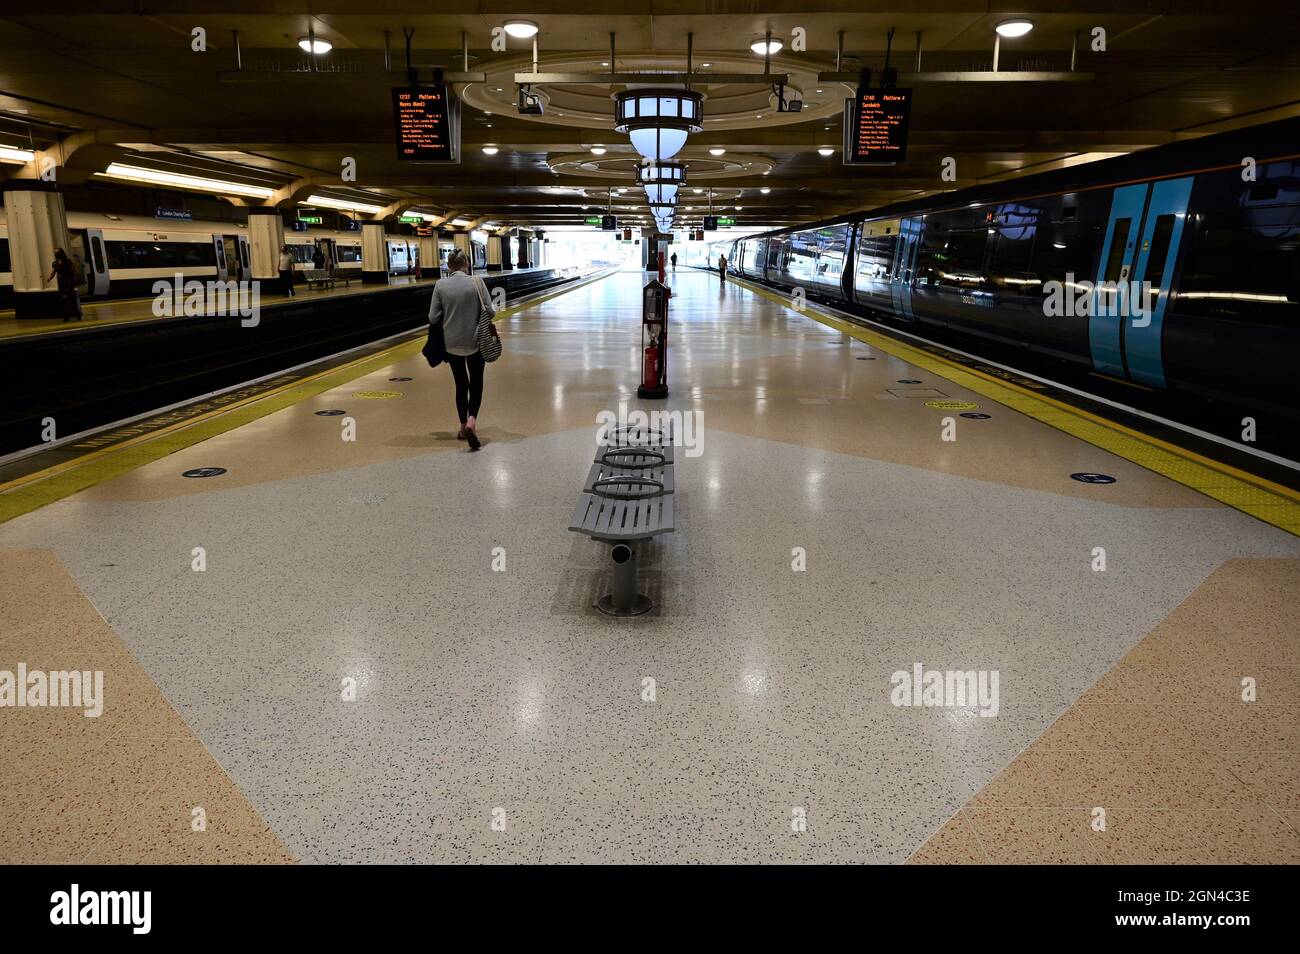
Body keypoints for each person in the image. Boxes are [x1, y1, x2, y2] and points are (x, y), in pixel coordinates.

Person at [428, 248, 493, 450]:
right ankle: (473, 420)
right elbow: (490, 312)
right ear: (467, 264)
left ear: (448, 266)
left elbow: (433, 317)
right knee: (476, 383)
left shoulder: (440, 285)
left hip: (451, 343)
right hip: (476, 341)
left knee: (460, 384)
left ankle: (463, 426)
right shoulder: (476, 282)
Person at [48, 248, 82, 321]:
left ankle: (74, 314)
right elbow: (54, 272)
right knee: (65, 299)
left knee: (70, 299)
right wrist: (49, 278)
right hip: (62, 283)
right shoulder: (55, 263)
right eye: (55, 253)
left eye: (56, 252)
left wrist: (76, 279)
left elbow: (73, 270)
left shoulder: (67, 261)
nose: (55, 254)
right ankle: (69, 315)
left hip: (69, 282)